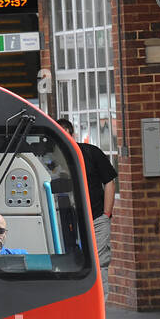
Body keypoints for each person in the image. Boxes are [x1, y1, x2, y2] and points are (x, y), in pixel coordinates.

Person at [59, 118, 117, 295]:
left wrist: (106, 214)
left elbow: (109, 181)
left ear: (72, 134)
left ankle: (100, 303)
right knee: (71, 262)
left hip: (96, 217)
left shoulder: (92, 153)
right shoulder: (51, 157)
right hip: (68, 220)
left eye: (66, 135)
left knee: (100, 264)